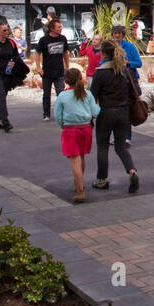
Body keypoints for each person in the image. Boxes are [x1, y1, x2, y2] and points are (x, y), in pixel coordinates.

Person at [89, 40, 139, 193]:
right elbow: (134, 91)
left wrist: (91, 115)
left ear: (103, 53)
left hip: (106, 112)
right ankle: (132, 171)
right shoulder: (124, 70)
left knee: (103, 146)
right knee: (120, 147)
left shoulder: (100, 72)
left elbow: (92, 96)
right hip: (123, 112)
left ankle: (102, 179)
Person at [54, 68, 99, 204]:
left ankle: (80, 191)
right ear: (81, 78)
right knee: (81, 156)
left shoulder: (63, 96)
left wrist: (62, 124)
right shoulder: (88, 94)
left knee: (75, 160)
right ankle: (80, 182)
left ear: (66, 81)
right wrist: (99, 106)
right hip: (86, 128)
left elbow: (58, 115)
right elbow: (95, 112)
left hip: (70, 130)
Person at [0, 21, 24, 132]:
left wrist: (14, 64)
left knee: (1, 97)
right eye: (4, 30)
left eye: (7, 30)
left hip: (7, 74)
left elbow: (16, 57)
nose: (7, 32)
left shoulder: (11, 43)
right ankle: (5, 122)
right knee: (1, 95)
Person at [35, 17, 71, 122]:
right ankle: (46, 114)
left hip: (59, 71)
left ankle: (62, 113)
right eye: (59, 27)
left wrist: (67, 66)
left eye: (61, 27)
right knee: (46, 94)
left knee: (61, 93)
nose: (61, 28)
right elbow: (37, 53)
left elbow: (65, 53)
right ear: (52, 28)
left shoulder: (63, 38)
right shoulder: (44, 40)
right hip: (47, 71)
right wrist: (38, 67)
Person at [110, 23, 141, 142]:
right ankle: (116, 136)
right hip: (113, 81)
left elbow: (138, 63)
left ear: (123, 35)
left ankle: (127, 137)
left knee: (126, 109)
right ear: (112, 35)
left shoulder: (130, 47)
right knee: (113, 110)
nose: (117, 35)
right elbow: (102, 63)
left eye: (119, 33)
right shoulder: (109, 46)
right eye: (115, 33)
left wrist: (128, 63)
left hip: (128, 81)